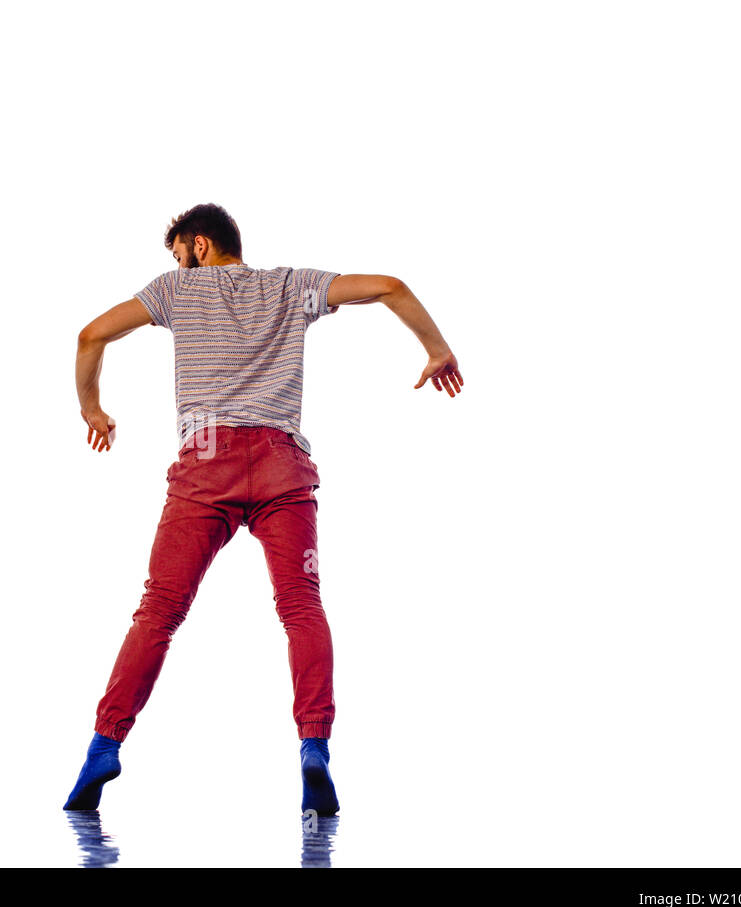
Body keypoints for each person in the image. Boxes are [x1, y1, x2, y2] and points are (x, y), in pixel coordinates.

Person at [64, 203, 462, 816]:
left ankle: (103, 746)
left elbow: (91, 335)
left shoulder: (179, 288)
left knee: (160, 611)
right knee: (302, 608)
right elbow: (390, 287)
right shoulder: (290, 284)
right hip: (283, 465)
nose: (176, 265)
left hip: (205, 464)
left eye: (176, 254)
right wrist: (436, 349)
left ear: (199, 245)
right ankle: (314, 748)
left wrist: (93, 410)